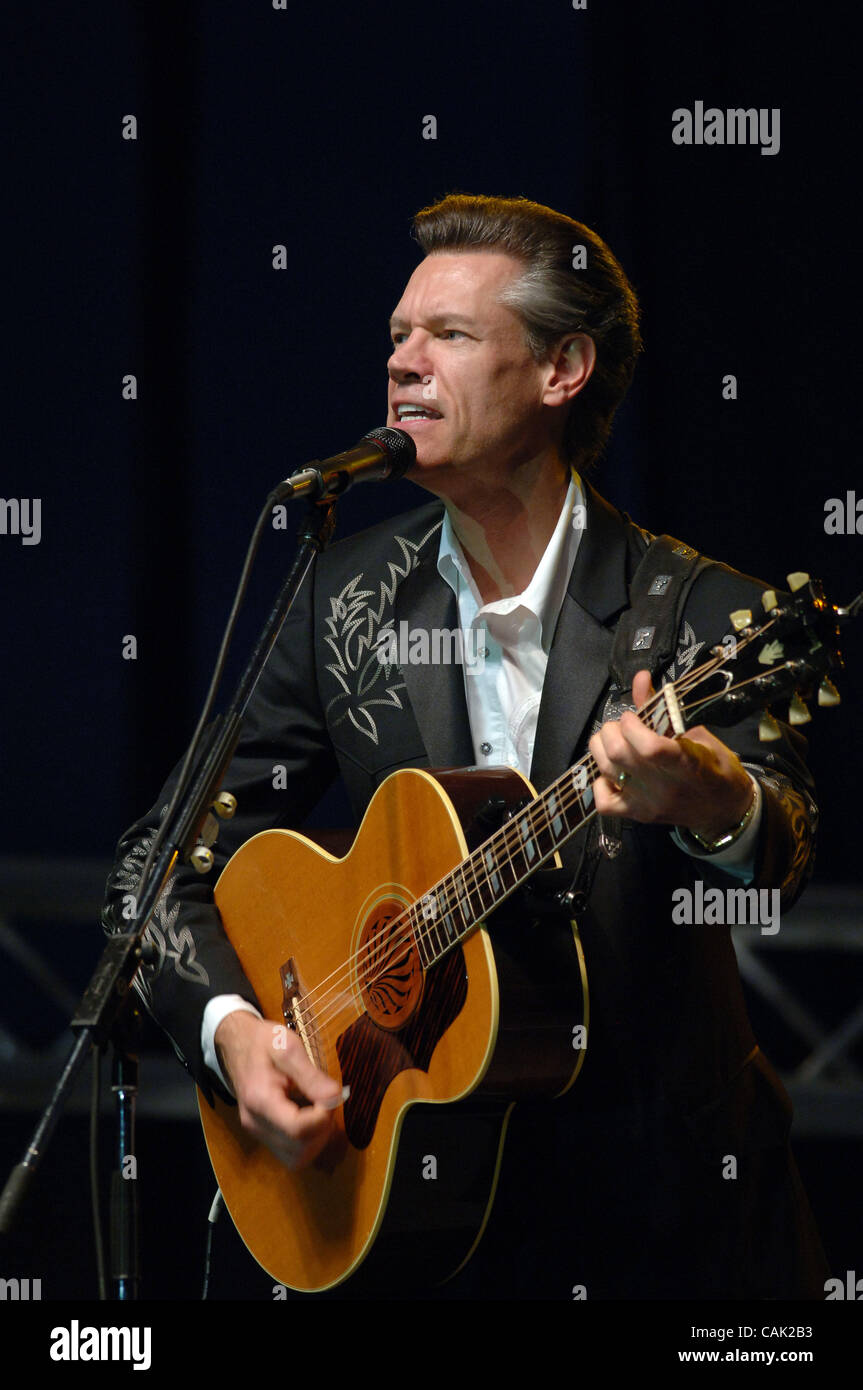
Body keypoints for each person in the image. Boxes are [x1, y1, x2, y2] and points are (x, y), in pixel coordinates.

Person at [103, 193, 829, 1300]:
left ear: (561, 369)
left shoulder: (700, 613)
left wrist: (714, 805)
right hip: (432, 1229)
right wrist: (236, 1036)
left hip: (676, 1226)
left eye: (447, 334)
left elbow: (784, 838)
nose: (403, 362)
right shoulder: (343, 601)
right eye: (398, 335)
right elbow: (155, 867)